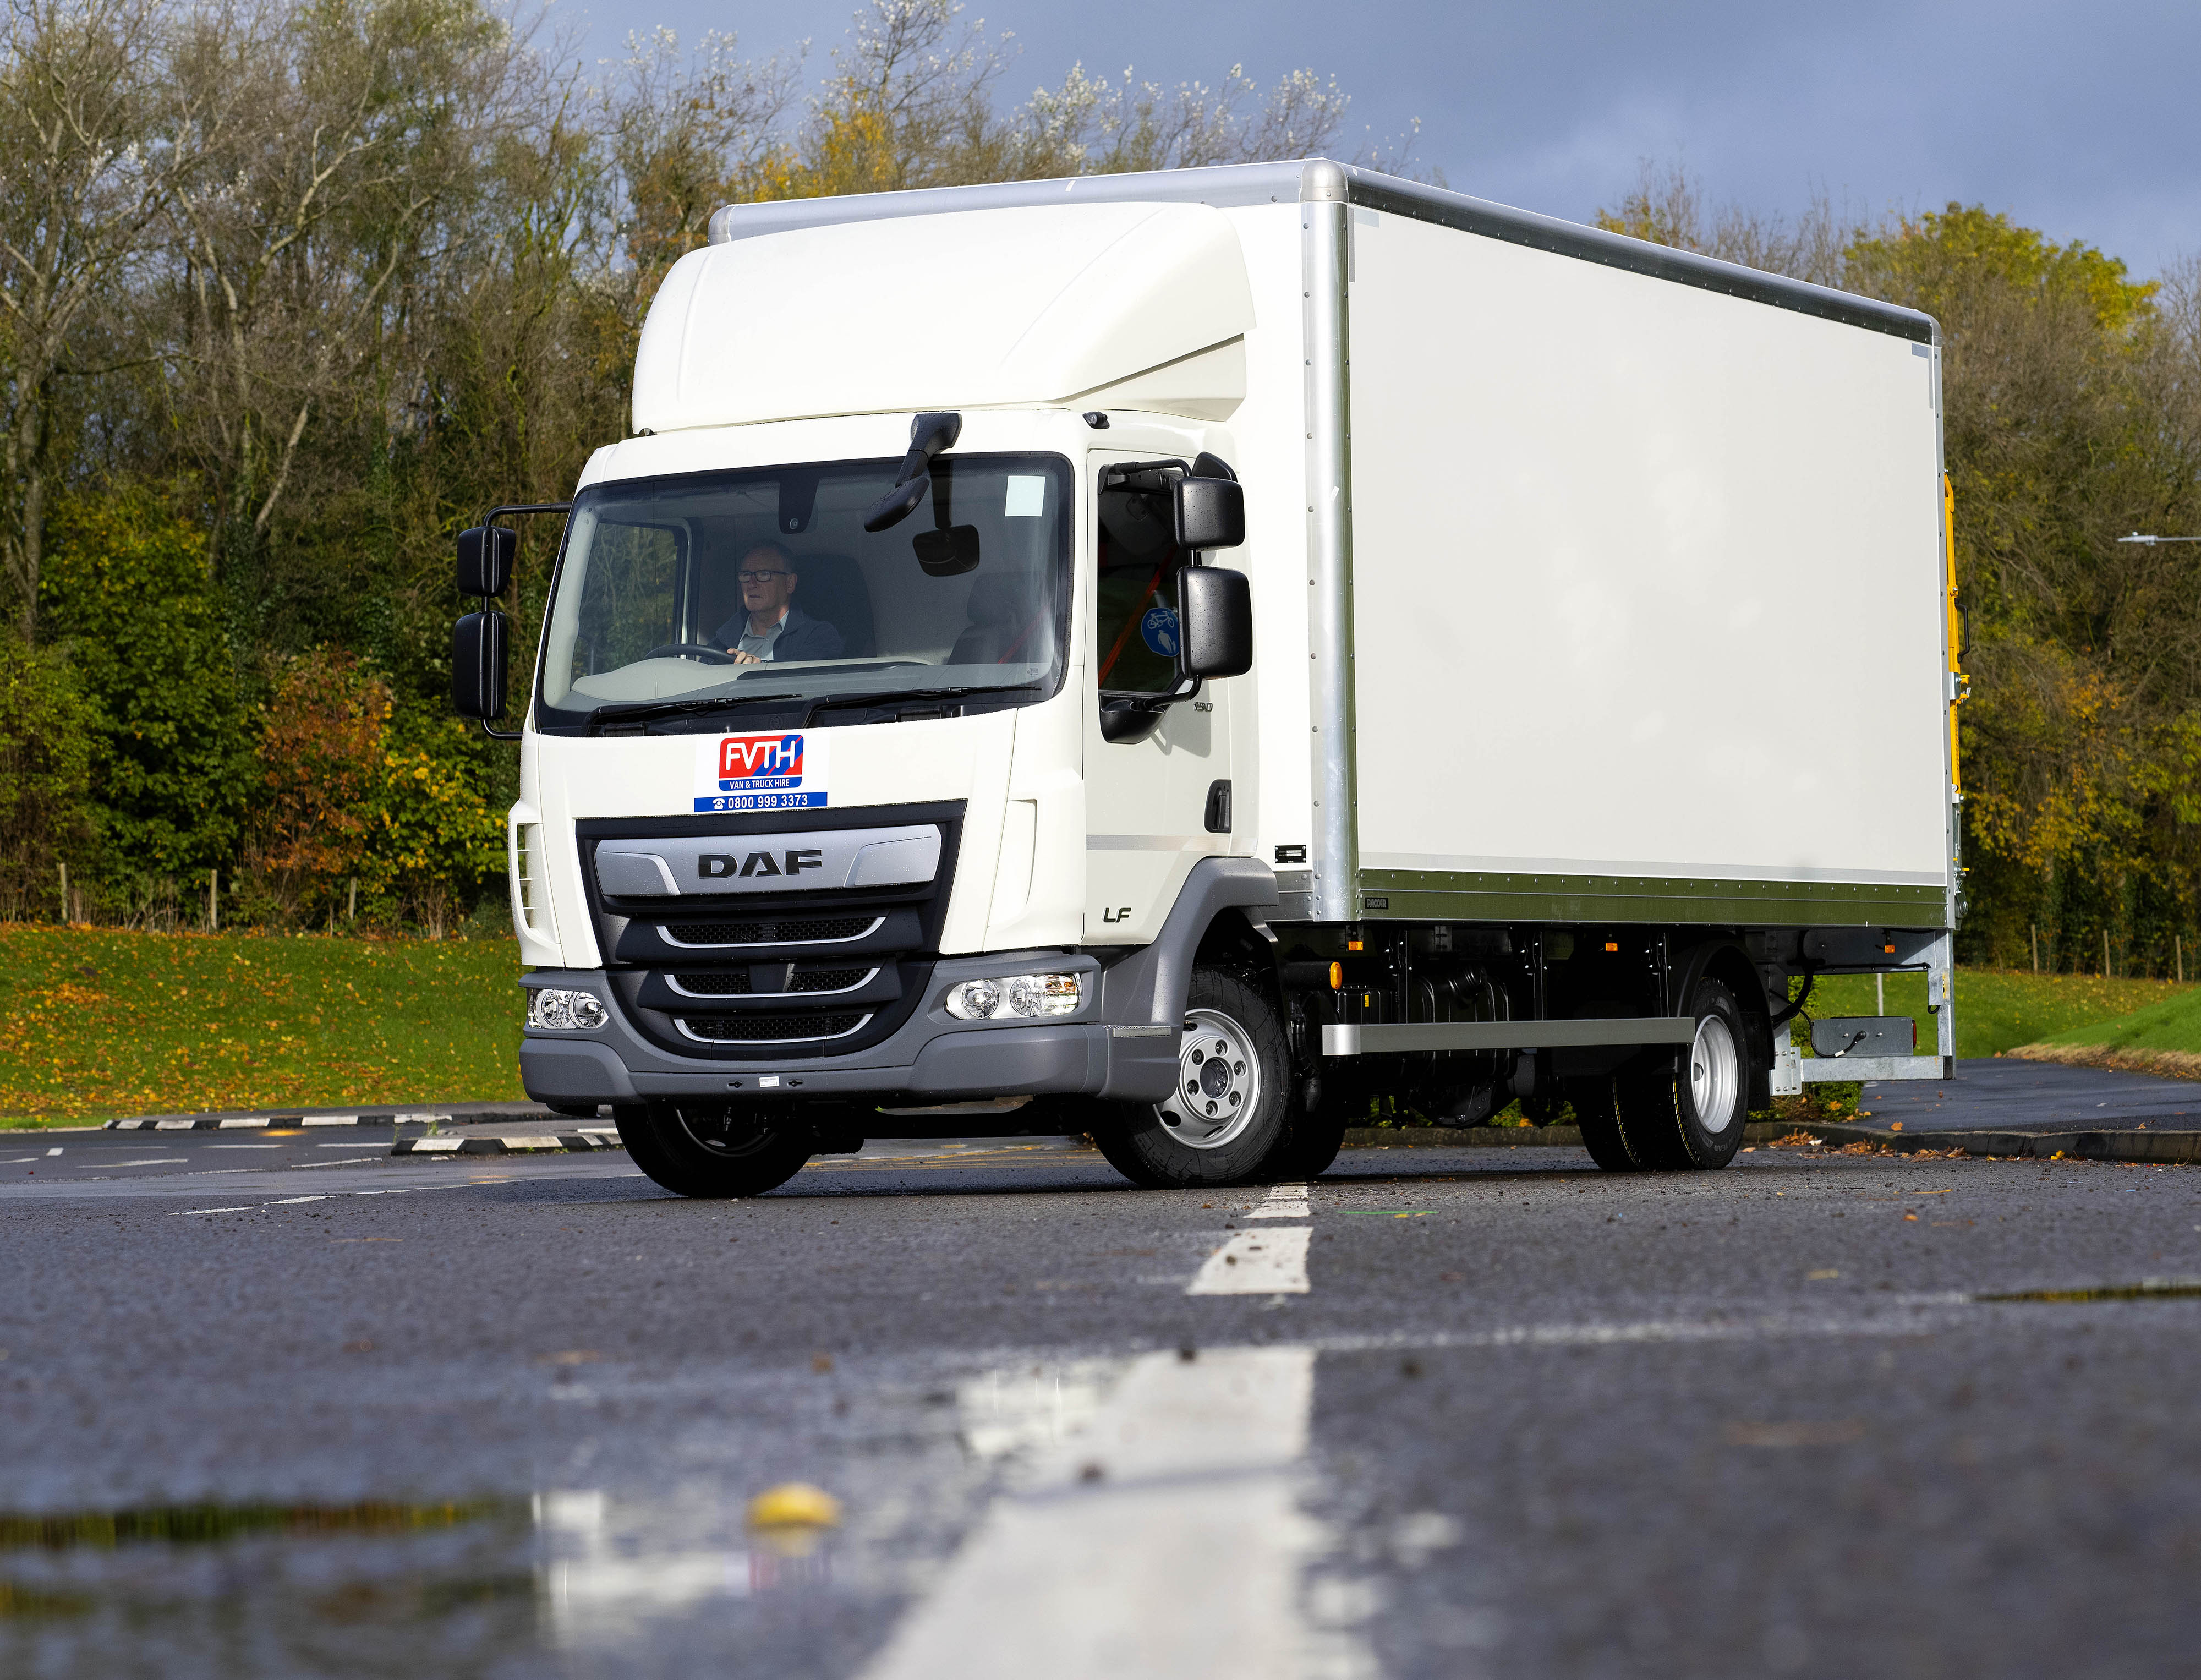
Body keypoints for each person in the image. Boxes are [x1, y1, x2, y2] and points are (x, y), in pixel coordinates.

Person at [711, 541, 844, 663]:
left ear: (790, 583)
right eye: (746, 575)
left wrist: (758, 672)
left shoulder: (818, 636)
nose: (751, 584)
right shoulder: (723, 640)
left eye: (764, 574)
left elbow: (807, 680)